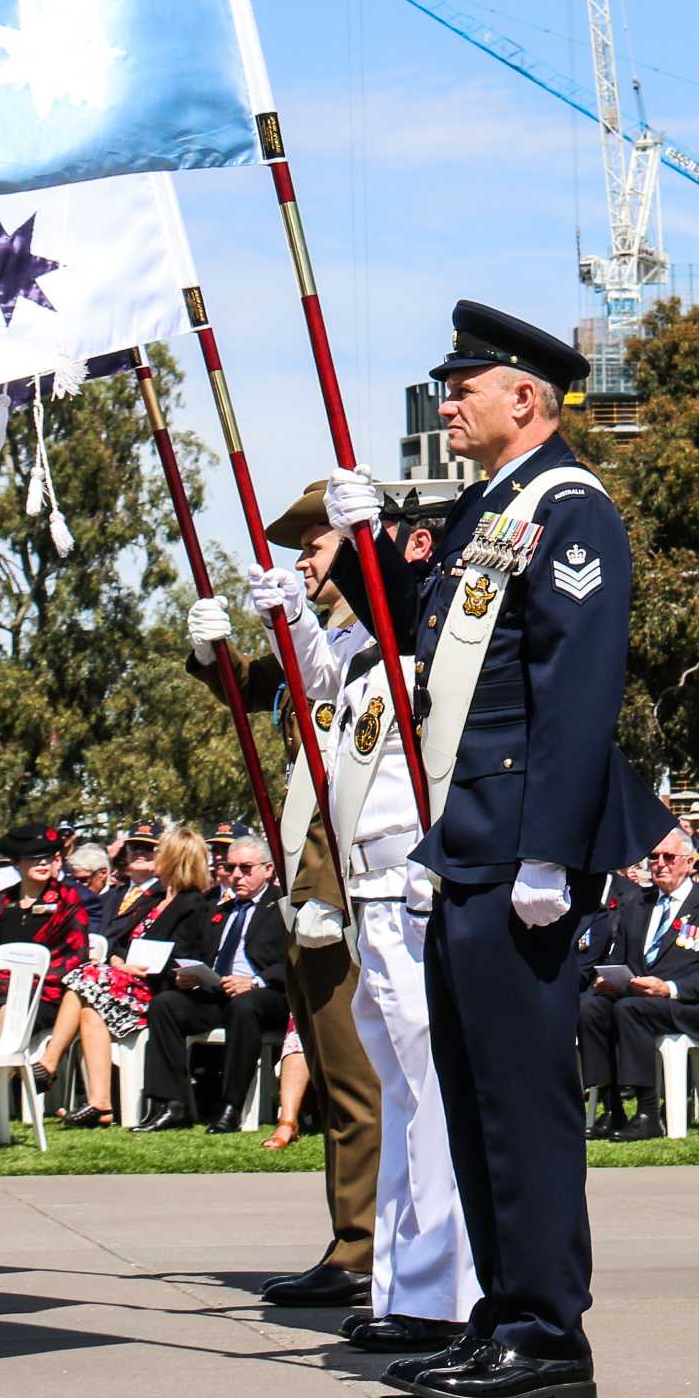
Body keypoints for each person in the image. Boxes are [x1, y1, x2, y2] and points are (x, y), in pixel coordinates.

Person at [329, 299, 668, 1398]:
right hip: (466, 839)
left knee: (524, 1097)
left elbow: (578, 692)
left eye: (463, 385)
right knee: (474, 1096)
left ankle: (547, 1330)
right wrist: (368, 540)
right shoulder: (490, 512)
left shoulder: (571, 511)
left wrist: (548, 854)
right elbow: (421, 630)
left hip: (519, 842)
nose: (448, 401)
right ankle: (500, 1309)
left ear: (526, 396)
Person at [226, 480, 478, 1352]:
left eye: (332, 548)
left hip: (409, 889)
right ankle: (404, 1286)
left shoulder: (430, 644)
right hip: (363, 893)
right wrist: (289, 620)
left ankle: (440, 1291)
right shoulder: (369, 652)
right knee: (403, 1093)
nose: (316, 560)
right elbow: (317, 683)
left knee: (426, 1095)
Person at [579, 828, 699, 1143]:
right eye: (654, 857)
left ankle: (648, 1112)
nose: (660, 864)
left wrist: (669, 987)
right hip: (637, 996)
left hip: (688, 1003)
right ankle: (611, 1107)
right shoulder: (637, 903)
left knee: (630, 1010)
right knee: (590, 1006)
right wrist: (609, 979)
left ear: (688, 863)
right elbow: (621, 957)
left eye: (669, 857)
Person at [143, 838, 287, 1131]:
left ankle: (231, 1107)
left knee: (244, 1006)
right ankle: (173, 1104)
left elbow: (297, 962)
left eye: (245, 868)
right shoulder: (218, 907)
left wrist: (255, 982)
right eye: (229, 867)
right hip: (217, 993)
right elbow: (195, 951)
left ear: (269, 869)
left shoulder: (283, 906)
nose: (236, 875)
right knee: (165, 1005)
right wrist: (186, 974)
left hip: (265, 995)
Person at [75, 827, 214, 1128]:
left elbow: (186, 953)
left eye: (160, 853)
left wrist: (132, 968)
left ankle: (169, 1103)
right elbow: (125, 942)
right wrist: (116, 960)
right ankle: (98, 1097)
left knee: (84, 979)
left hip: (160, 987)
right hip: (132, 982)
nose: (154, 858)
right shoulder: (155, 901)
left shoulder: (192, 904)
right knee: (85, 997)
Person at [0, 826, 96, 1124]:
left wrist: (26, 985)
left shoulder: (66, 899)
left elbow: (76, 957)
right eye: (34, 859)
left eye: (48, 857)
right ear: (18, 864)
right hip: (0, 987)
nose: (43, 864)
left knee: (10, 1012)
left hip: (48, 994)